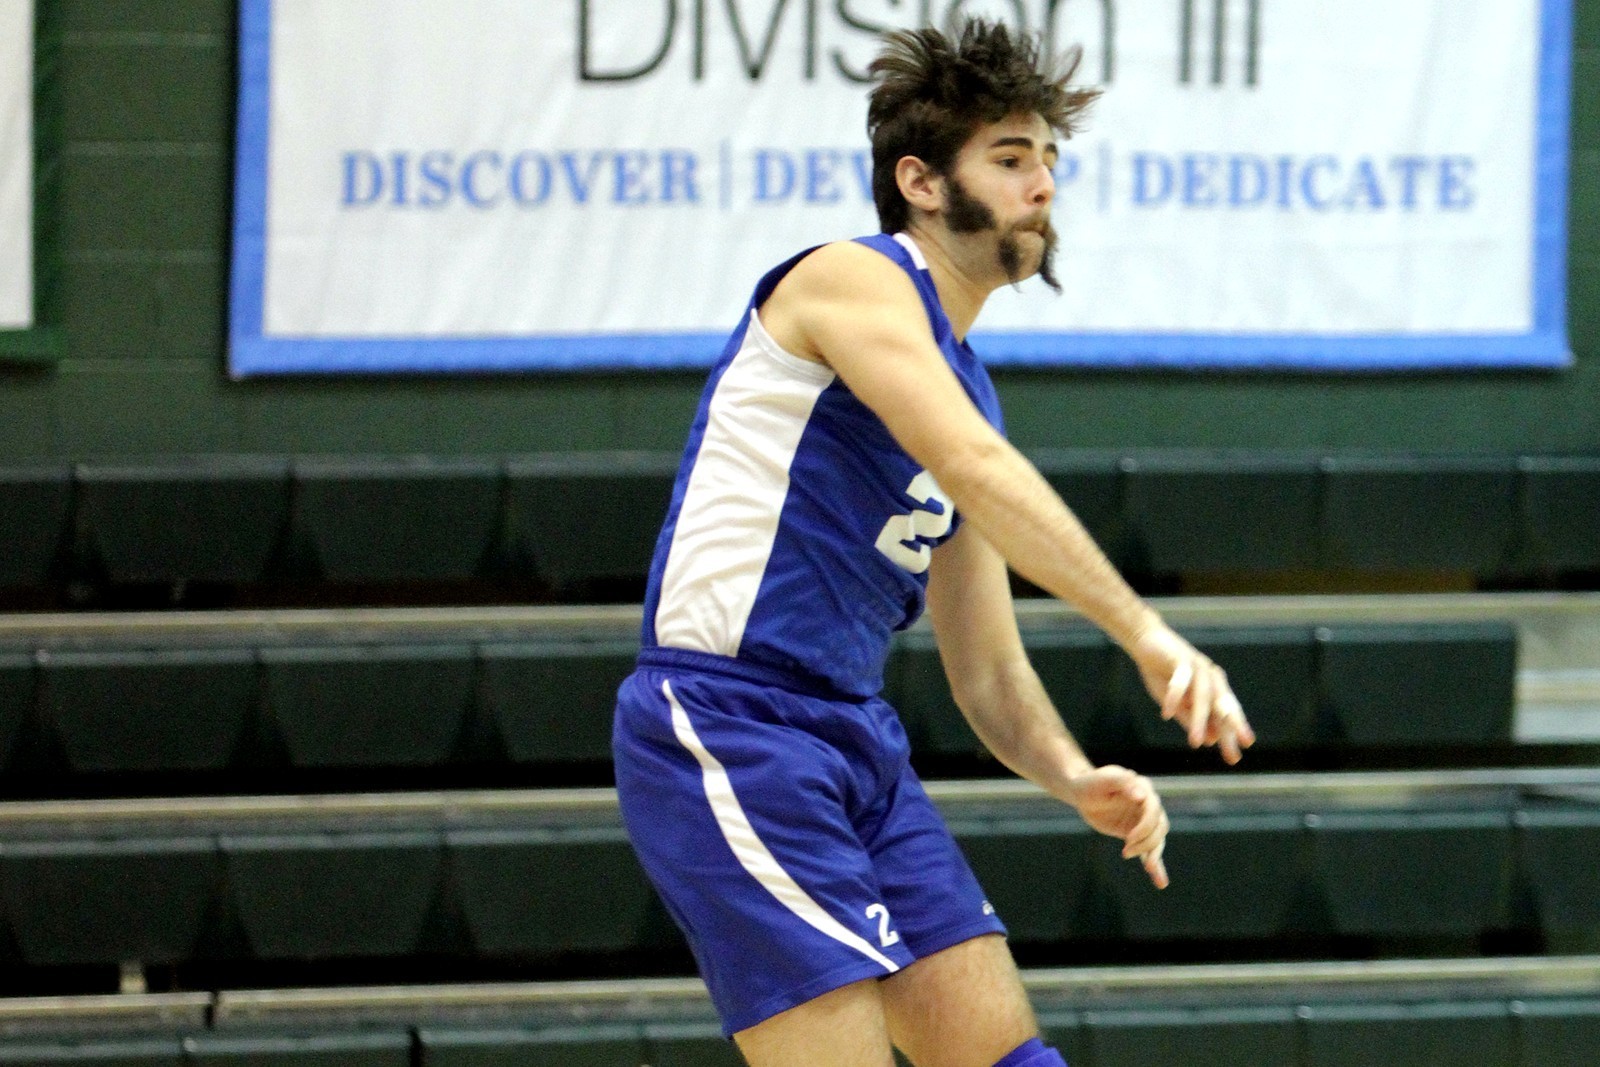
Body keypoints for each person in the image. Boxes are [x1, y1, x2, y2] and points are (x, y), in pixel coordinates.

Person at [612, 18, 1255, 1067]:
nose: (1041, 183)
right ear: (918, 180)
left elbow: (988, 668)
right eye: (1009, 158)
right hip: (727, 722)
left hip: (853, 737)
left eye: (1048, 158)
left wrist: (1069, 772)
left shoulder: (970, 390)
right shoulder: (849, 277)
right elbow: (970, 468)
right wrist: (1146, 634)